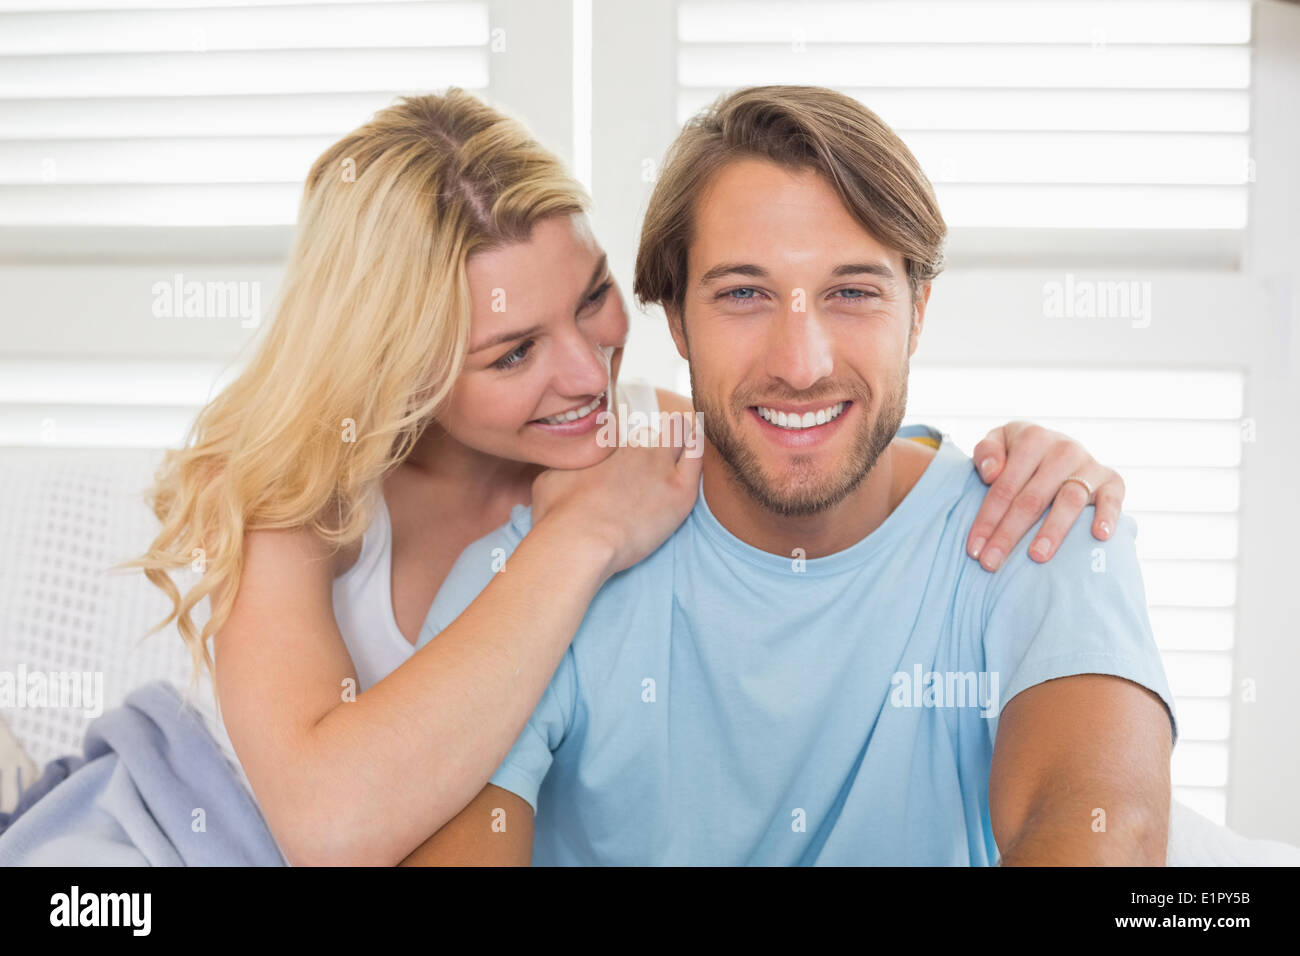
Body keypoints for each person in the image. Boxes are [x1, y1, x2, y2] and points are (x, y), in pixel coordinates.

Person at [122, 90, 1129, 866]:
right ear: (406, 374)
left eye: (595, 298)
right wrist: (579, 539)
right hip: (209, 831)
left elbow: (806, 423)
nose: (585, 369)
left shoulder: (642, 438)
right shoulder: (297, 502)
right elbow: (330, 825)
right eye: (513, 352)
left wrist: (1029, 465)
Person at [404, 86, 1177, 866]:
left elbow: (1104, 831)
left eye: (852, 293)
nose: (800, 366)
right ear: (675, 319)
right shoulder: (527, 580)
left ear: (918, 309)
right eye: (744, 294)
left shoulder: (1045, 529)